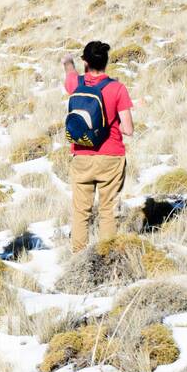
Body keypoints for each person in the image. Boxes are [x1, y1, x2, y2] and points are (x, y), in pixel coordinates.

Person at [63, 41, 134, 252]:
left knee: (81, 212)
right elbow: (128, 129)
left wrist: (67, 61)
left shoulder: (77, 84)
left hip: (82, 156)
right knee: (107, 211)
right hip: (111, 157)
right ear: (106, 62)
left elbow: (69, 73)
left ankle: (78, 259)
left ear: (85, 62)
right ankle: (106, 256)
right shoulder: (117, 88)